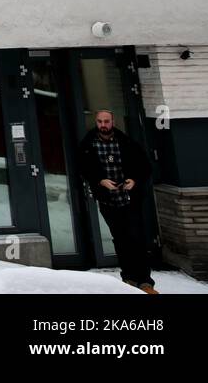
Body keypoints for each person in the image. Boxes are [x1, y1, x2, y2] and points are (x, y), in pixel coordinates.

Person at [78, 109, 155, 292]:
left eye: (106, 121)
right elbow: (83, 168)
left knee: (137, 238)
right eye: (100, 121)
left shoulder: (126, 142)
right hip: (108, 201)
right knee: (121, 240)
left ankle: (145, 281)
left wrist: (134, 180)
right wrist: (100, 181)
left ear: (113, 122)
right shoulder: (89, 145)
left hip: (129, 199)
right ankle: (128, 278)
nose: (103, 125)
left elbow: (144, 166)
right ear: (96, 122)